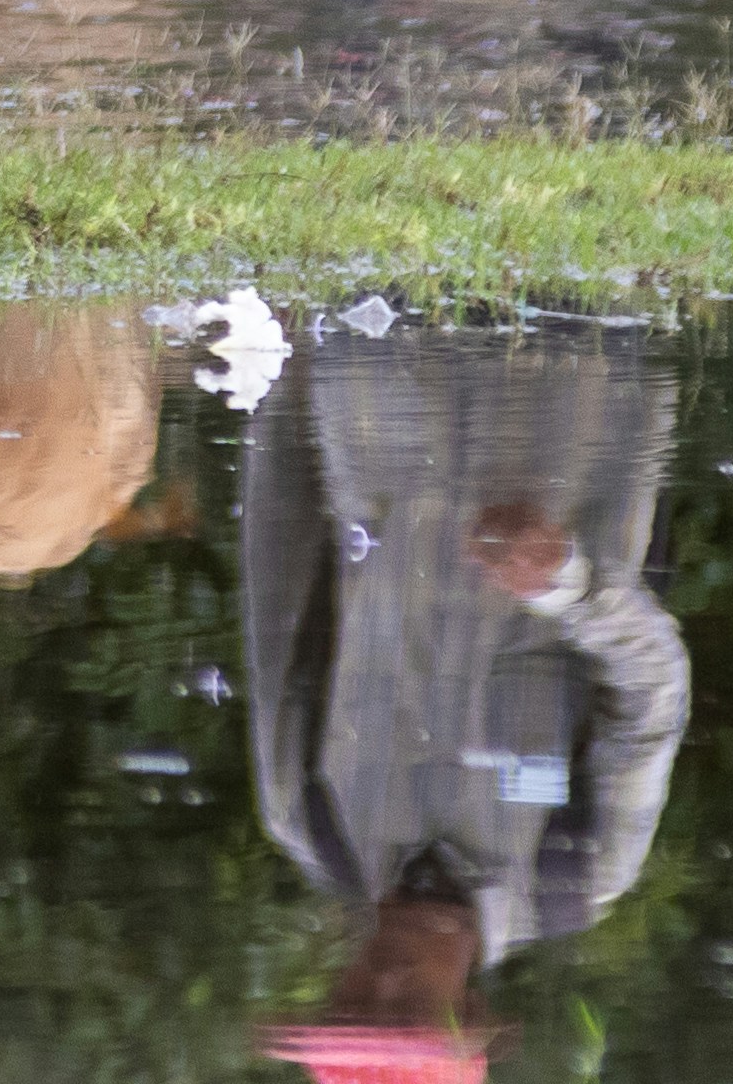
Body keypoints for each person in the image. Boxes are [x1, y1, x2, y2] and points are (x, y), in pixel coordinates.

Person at [244, 324, 693, 1074]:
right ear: (473, 1014)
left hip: (372, 414)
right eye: (407, 1008)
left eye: (352, 1003)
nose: (380, 978)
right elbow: (656, 695)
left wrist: (280, 375)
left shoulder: (308, 818)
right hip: (572, 417)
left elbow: (278, 571)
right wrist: (565, 584)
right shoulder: (575, 873)